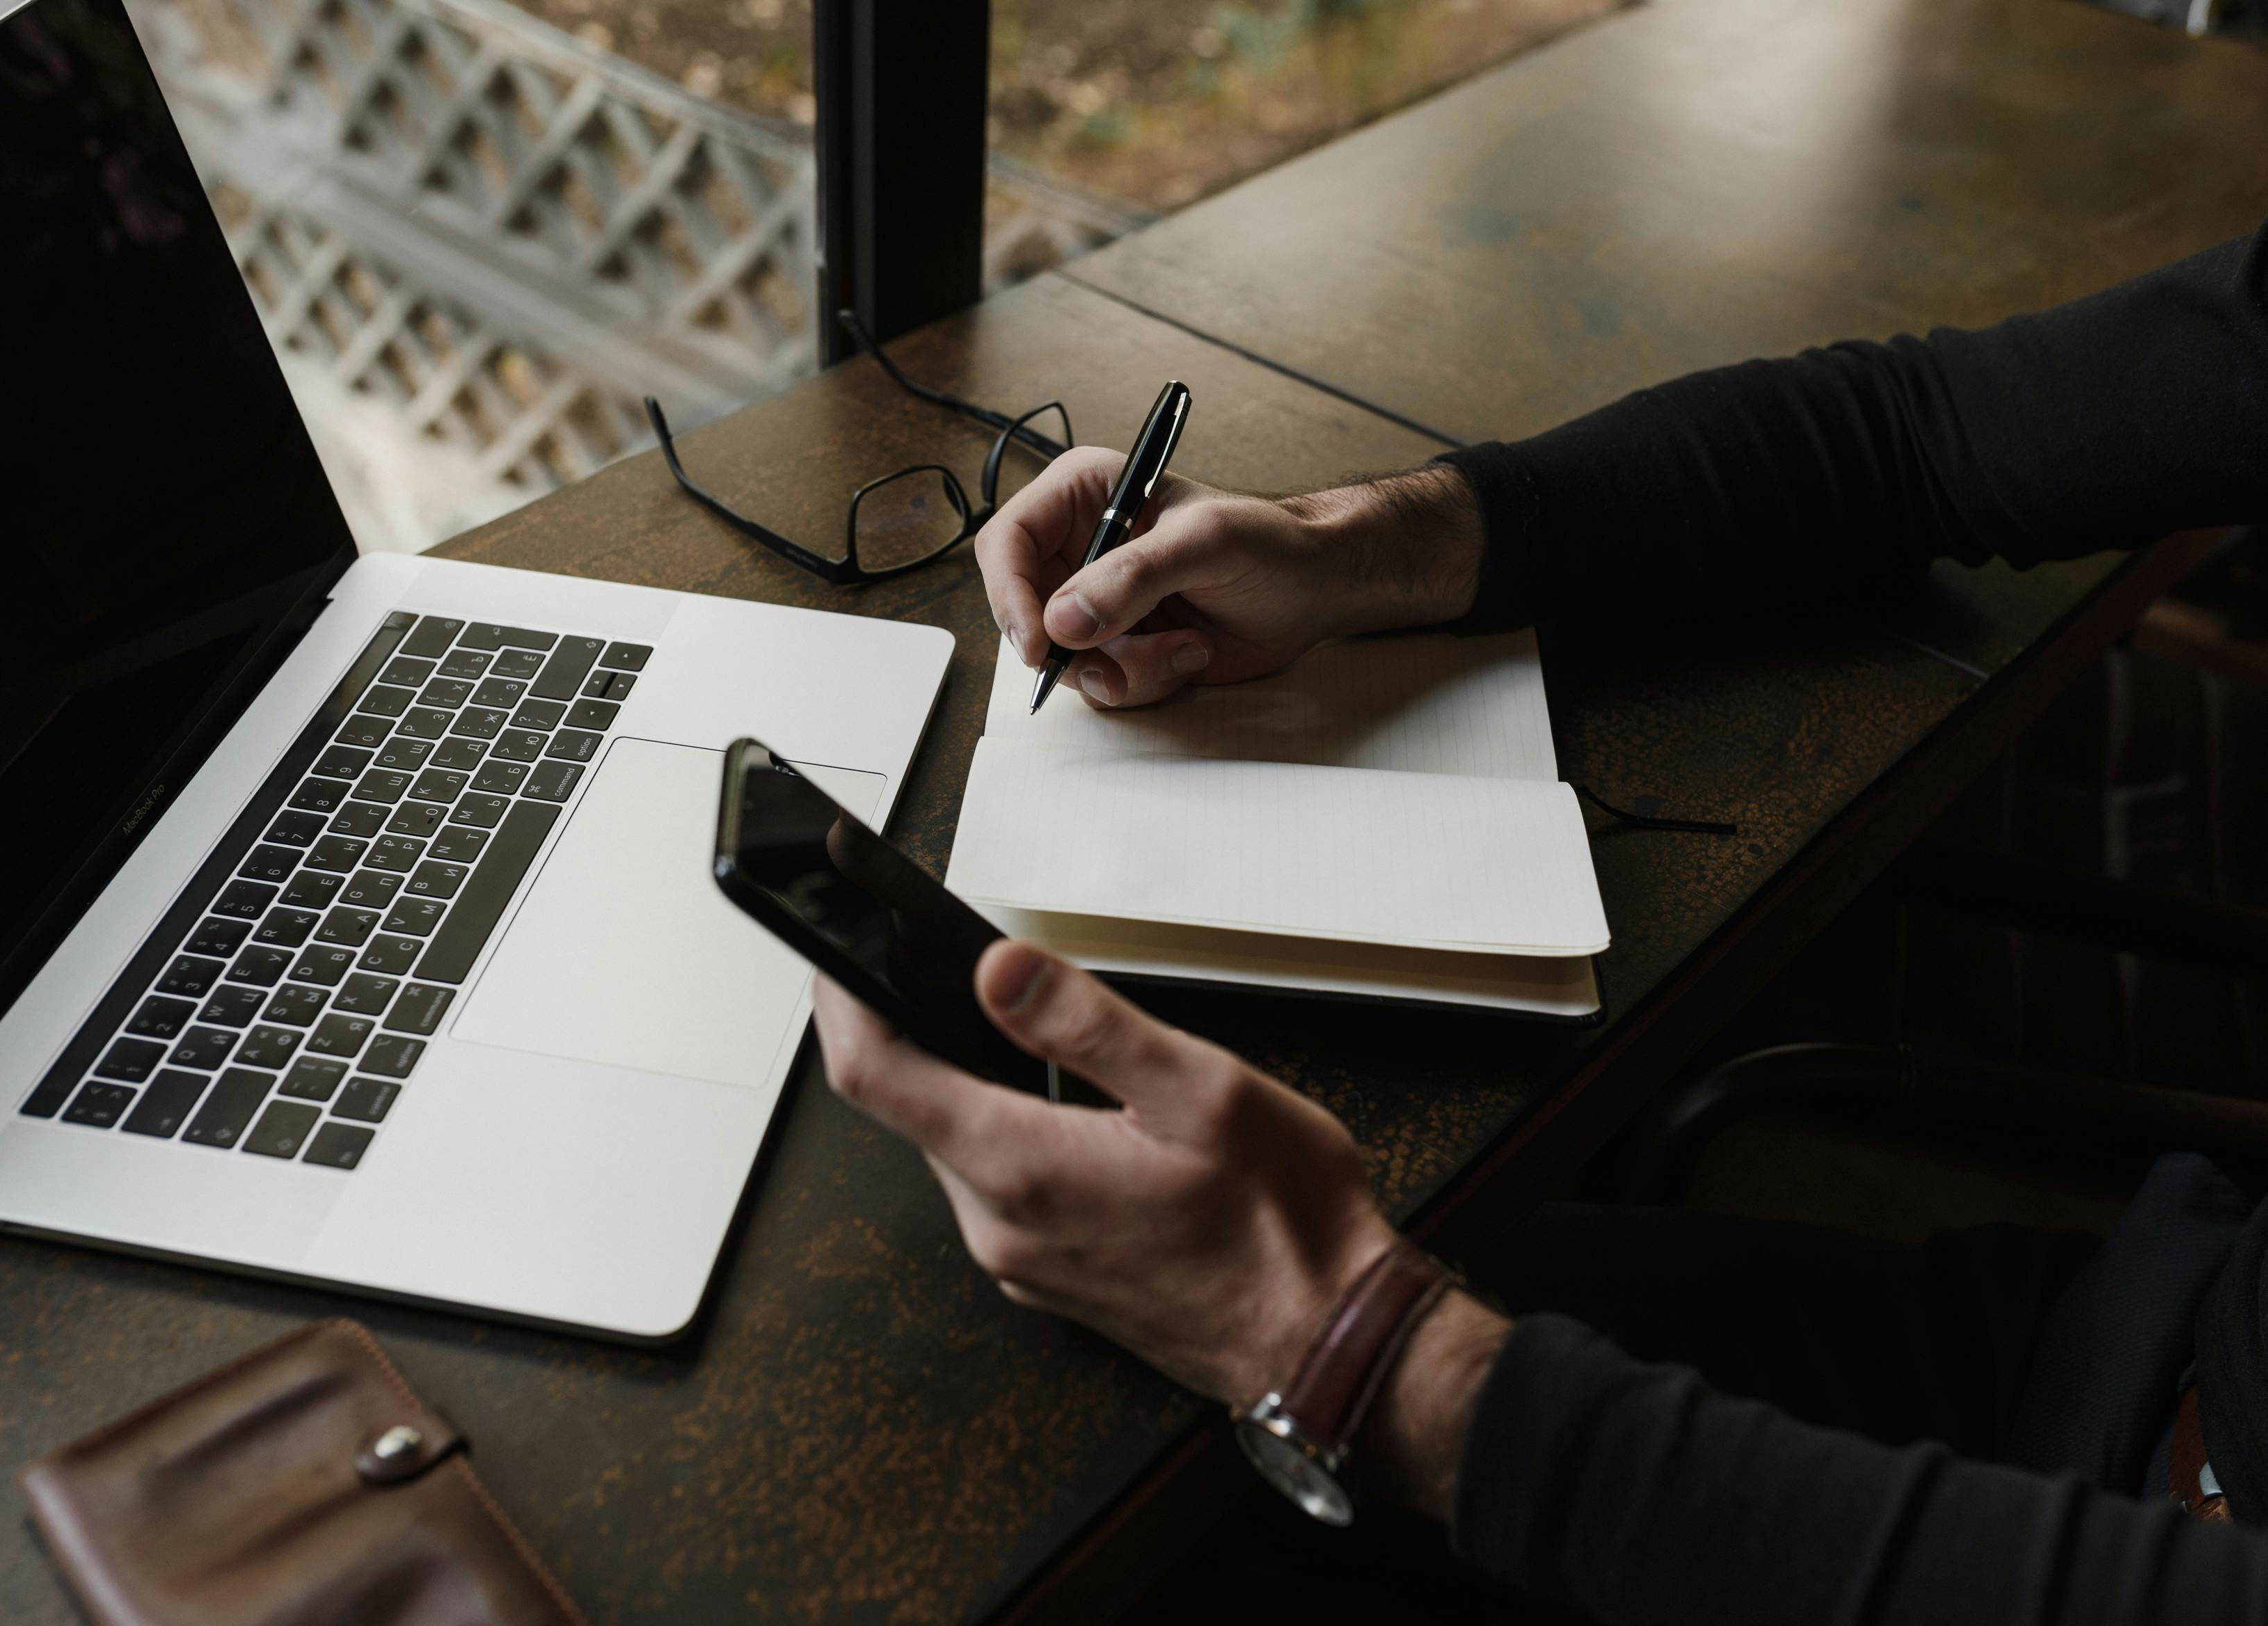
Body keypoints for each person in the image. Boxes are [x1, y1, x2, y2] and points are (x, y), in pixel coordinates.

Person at [811, 217, 2268, 1621]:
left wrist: (1349, 1361)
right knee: (1038, 1405)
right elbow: (1919, 429)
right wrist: (1344, 549)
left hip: (2100, 1519)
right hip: (2140, 1341)